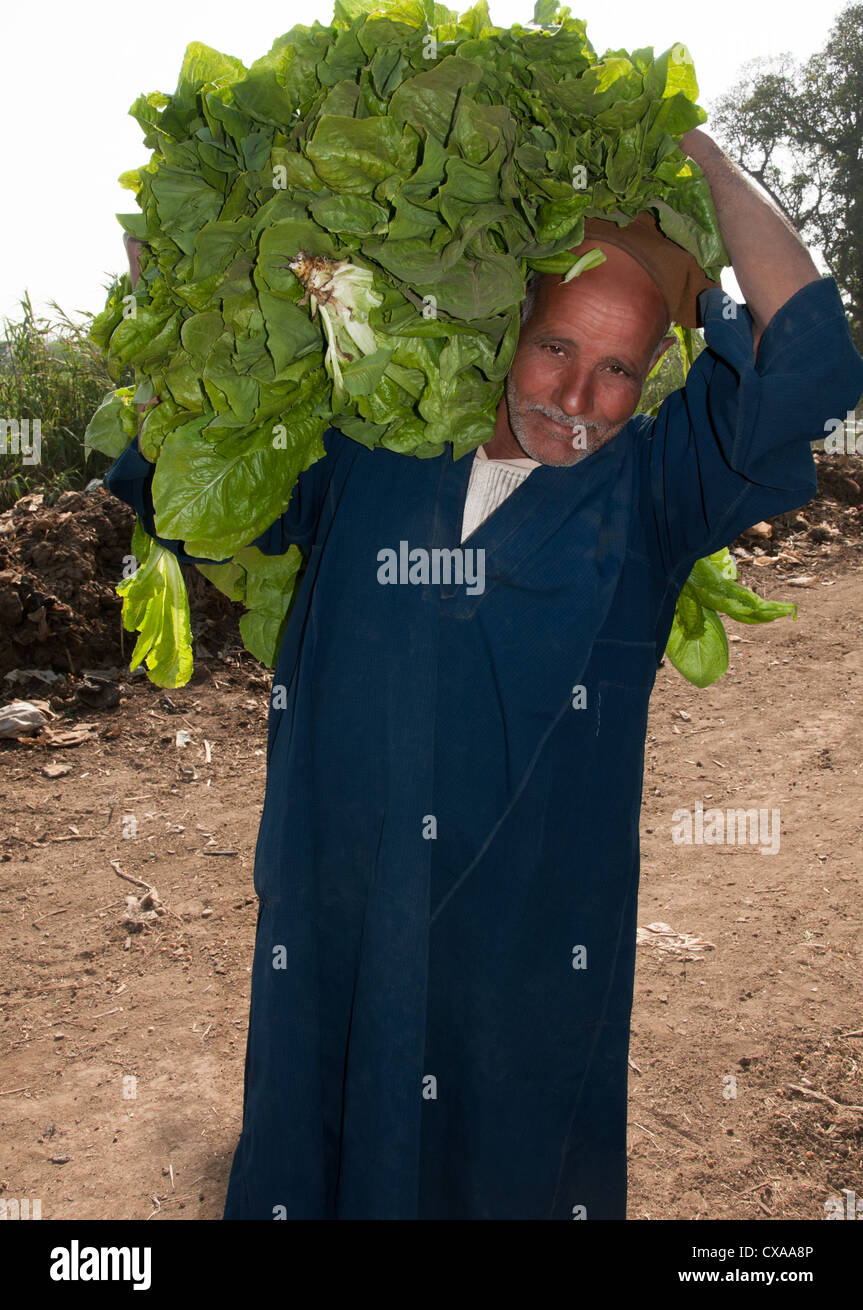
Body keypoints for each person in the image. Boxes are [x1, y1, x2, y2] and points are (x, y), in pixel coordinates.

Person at [105, 130, 863, 1219]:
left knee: (503, 1171)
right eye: (555, 346)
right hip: (340, 926)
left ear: (654, 375)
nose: (578, 397)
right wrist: (178, 311)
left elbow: (809, 371)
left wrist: (702, 170)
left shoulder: (656, 492)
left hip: (522, 948)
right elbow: (188, 470)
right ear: (505, 326)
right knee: (316, 1155)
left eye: (617, 368)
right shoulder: (373, 458)